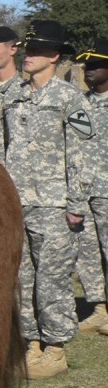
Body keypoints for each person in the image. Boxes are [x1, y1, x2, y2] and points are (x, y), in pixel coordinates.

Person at [0, 20, 95, 378]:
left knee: (52, 280)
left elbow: (81, 152)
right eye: (28, 48)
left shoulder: (68, 98)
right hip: (17, 203)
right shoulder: (14, 94)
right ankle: (32, 344)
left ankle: (55, 350)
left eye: (38, 50)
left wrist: (76, 203)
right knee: (22, 279)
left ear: (54, 56)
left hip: (54, 204)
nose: (29, 55)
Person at [76, 39, 108, 335]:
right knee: (87, 252)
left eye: (96, 65)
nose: (89, 70)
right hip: (86, 190)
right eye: (87, 66)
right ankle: (99, 308)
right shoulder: (80, 102)